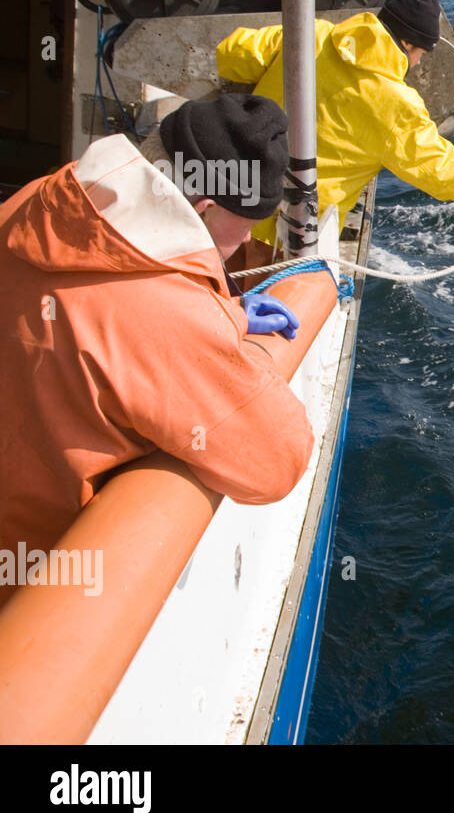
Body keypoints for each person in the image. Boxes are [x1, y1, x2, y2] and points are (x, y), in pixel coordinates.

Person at [0, 94, 315, 563]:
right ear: (205, 205)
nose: (248, 240)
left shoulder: (37, 198)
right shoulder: (165, 316)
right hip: (29, 575)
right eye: (246, 224)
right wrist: (219, 332)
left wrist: (226, 311)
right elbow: (278, 460)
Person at [215, 0, 454, 258]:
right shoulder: (397, 103)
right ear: (406, 43)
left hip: (227, 193)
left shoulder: (313, 34)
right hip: (286, 233)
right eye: (420, 54)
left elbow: (230, 55)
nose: (416, 64)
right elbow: (443, 174)